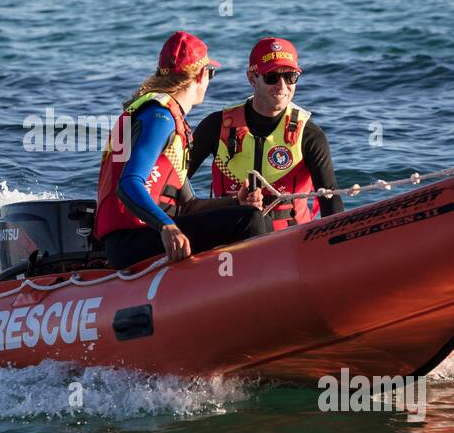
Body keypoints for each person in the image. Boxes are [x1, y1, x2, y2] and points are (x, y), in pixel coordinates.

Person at [94, 32, 272, 269]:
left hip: (142, 234)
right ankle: (266, 288)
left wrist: (234, 202)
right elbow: (128, 184)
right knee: (249, 220)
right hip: (131, 241)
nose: (210, 79)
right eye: (211, 73)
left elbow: (187, 205)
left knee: (245, 211)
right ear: (200, 75)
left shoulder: (165, 118)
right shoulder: (160, 117)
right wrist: (167, 226)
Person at [188, 36, 344, 228]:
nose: (282, 86)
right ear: (252, 79)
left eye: (290, 77)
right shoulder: (216, 126)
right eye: (272, 77)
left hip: (291, 240)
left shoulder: (309, 134)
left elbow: (330, 201)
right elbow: (176, 182)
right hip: (229, 236)